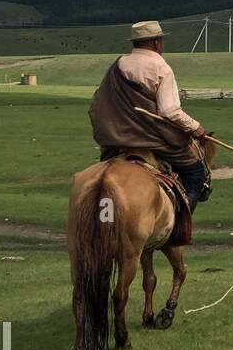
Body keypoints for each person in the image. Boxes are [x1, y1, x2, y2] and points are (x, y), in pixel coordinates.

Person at [87, 20, 212, 210]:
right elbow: (169, 111)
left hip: (116, 139)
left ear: (135, 42)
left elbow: (99, 101)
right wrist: (196, 127)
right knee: (195, 173)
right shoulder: (160, 68)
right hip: (153, 139)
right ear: (156, 43)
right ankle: (180, 226)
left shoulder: (118, 65)